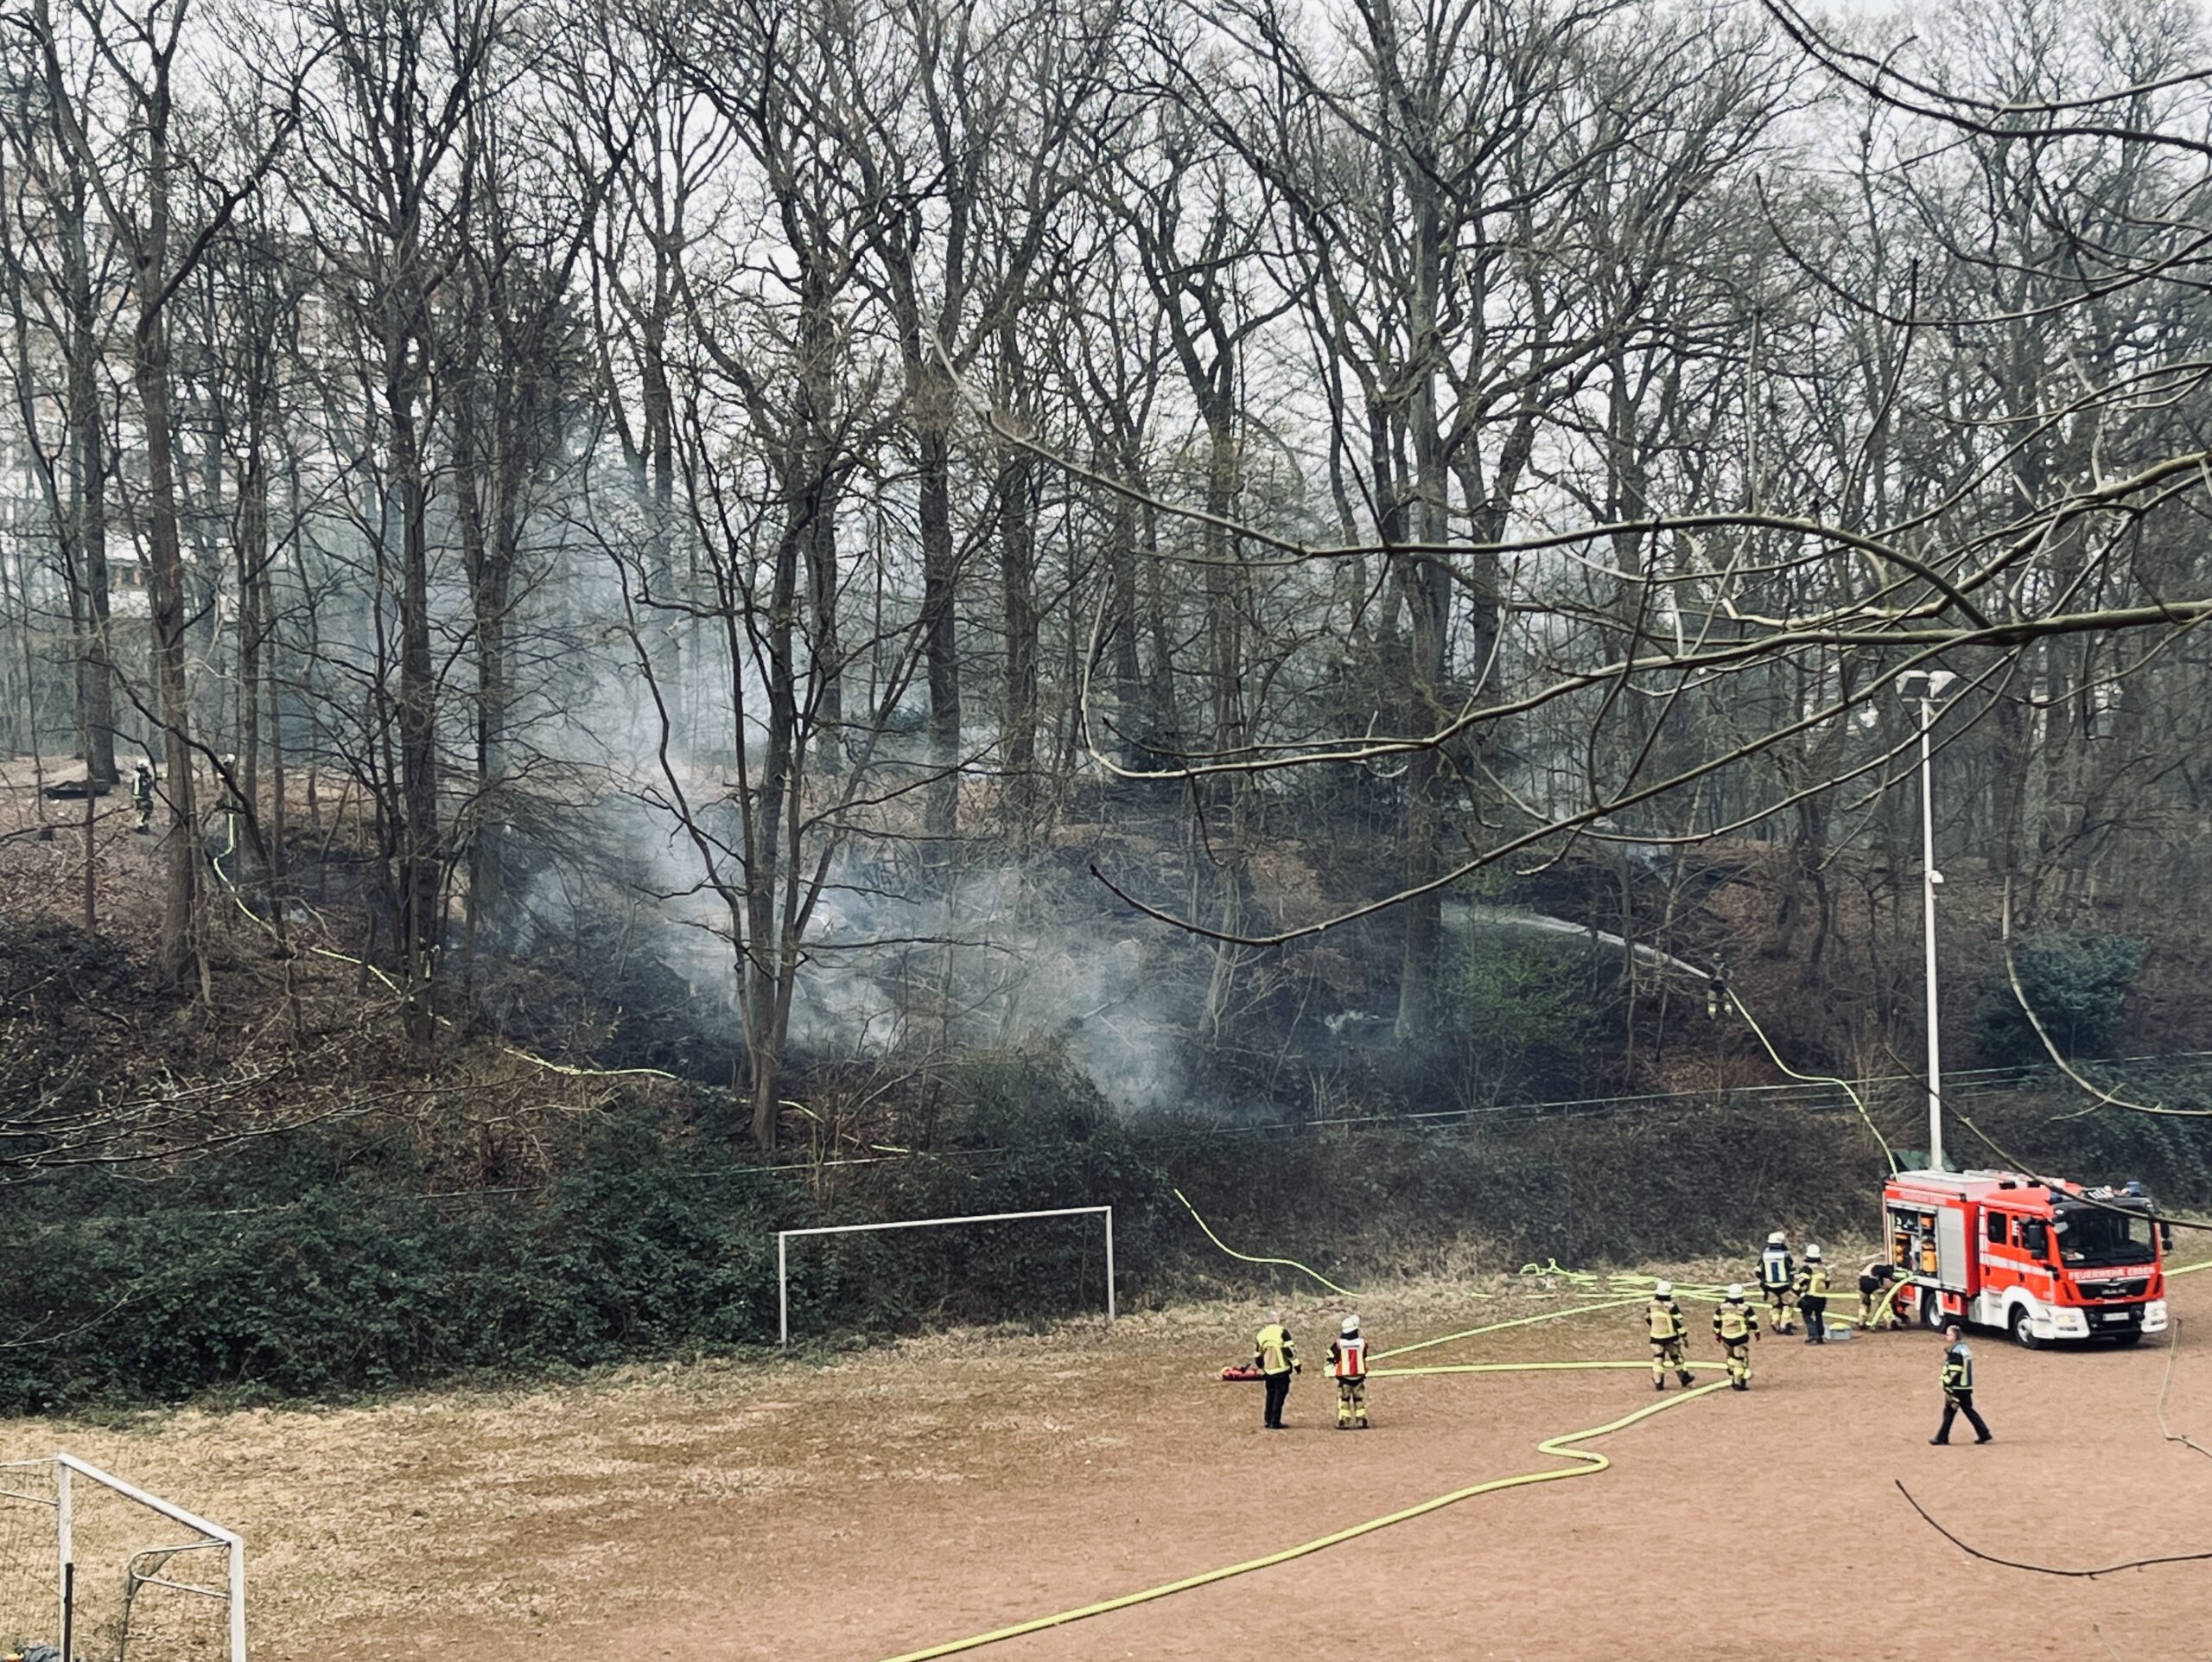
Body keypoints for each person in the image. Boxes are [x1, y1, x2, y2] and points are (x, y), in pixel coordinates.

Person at [1930, 1324, 1993, 1445]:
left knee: (1949, 1412)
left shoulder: (1956, 1351)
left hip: (1957, 1387)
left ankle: (1941, 1438)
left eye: (1949, 1334)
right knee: (1967, 1411)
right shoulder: (1965, 1348)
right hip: (1966, 1386)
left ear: (1954, 1336)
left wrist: (1946, 1382)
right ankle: (1984, 1434)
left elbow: (1955, 1370)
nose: (1947, 1336)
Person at [1646, 1281, 1695, 1390]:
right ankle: (1684, 1377)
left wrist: (1655, 1327)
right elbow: (1679, 1323)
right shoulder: (1672, 1307)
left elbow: (1648, 1319)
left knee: (1658, 1358)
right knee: (1677, 1358)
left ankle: (1658, 1381)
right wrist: (1683, 1336)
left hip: (1655, 1336)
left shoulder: (1651, 1305)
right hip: (1671, 1337)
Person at [1253, 1313, 1300, 1430]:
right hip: (1282, 1369)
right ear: (1277, 1320)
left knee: (1270, 1395)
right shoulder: (1282, 1332)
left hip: (1268, 1371)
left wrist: (1262, 1369)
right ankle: (1275, 1421)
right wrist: (1297, 1365)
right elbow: (1290, 1352)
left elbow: (1258, 1356)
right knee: (1280, 1395)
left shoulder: (1261, 1334)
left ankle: (1267, 1420)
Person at [1711, 1283, 1760, 1390]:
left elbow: (1716, 1321)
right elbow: (1753, 1322)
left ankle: (1730, 1368)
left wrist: (1718, 1334)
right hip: (1740, 1337)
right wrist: (1756, 1332)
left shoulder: (1721, 1308)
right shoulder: (1746, 1309)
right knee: (1740, 1359)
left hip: (1726, 1337)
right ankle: (1737, 1382)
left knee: (1730, 1354)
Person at [1327, 1314, 1370, 1430]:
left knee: (1344, 1399)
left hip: (1344, 1376)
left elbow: (1330, 1355)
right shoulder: (1362, 1343)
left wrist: (1333, 1364)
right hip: (1359, 1376)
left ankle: (1344, 1421)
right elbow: (1364, 1355)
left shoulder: (1339, 1344)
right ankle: (1361, 1420)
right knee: (1359, 1399)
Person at [1759, 1231, 1796, 1334]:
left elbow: (1758, 1270)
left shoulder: (1765, 1255)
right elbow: (1792, 1268)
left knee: (1775, 1305)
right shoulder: (1785, 1254)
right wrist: (1791, 1281)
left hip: (1769, 1285)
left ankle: (1775, 1321)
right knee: (1787, 1305)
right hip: (1784, 1285)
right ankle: (1784, 1325)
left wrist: (1763, 1281)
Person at [1794, 1245, 1831, 1345]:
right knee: (1819, 1316)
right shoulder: (1823, 1268)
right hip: (1822, 1297)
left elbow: (1803, 1280)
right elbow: (1828, 1282)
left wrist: (1796, 1289)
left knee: (1807, 1315)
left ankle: (1813, 1334)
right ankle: (1820, 1335)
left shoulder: (1807, 1268)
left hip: (1810, 1296)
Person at [1858, 1257, 1903, 1330]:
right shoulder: (1882, 1268)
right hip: (1871, 1282)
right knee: (1883, 1303)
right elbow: (1888, 1278)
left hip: (1862, 1283)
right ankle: (1890, 1323)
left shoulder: (1872, 1265)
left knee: (1864, 1304)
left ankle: (1861, 1322)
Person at [130, 759, 155, 833]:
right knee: (142, 811)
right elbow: (138, 787)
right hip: (140, 796)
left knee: (147, 811)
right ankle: (140, 827)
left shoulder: (145, 775)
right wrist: (137, 795)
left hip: (144, 796)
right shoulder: (138, 775)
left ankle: (144, 826)